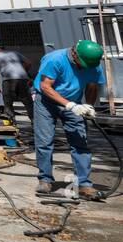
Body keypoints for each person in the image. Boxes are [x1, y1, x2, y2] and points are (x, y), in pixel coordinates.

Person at [32, 39, 105, 199]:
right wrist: (70, 105)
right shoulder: (54, 59)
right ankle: (45, 180)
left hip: (75, 103)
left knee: (80, 142)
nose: (83, 68)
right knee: (44, 141)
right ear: (74, 54)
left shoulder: (93, 64)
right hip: (46, 102)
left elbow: (92, 86)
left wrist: (89, 106)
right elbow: (45, 86)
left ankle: (84, 184)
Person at [0, 43, 34, 123]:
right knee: (28, 102)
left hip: (8, 80)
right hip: (22, 78)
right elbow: (28, 63)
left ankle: (12, 122)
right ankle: (35, 122)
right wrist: (23, 72)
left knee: (8, 102)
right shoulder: (14, 53)